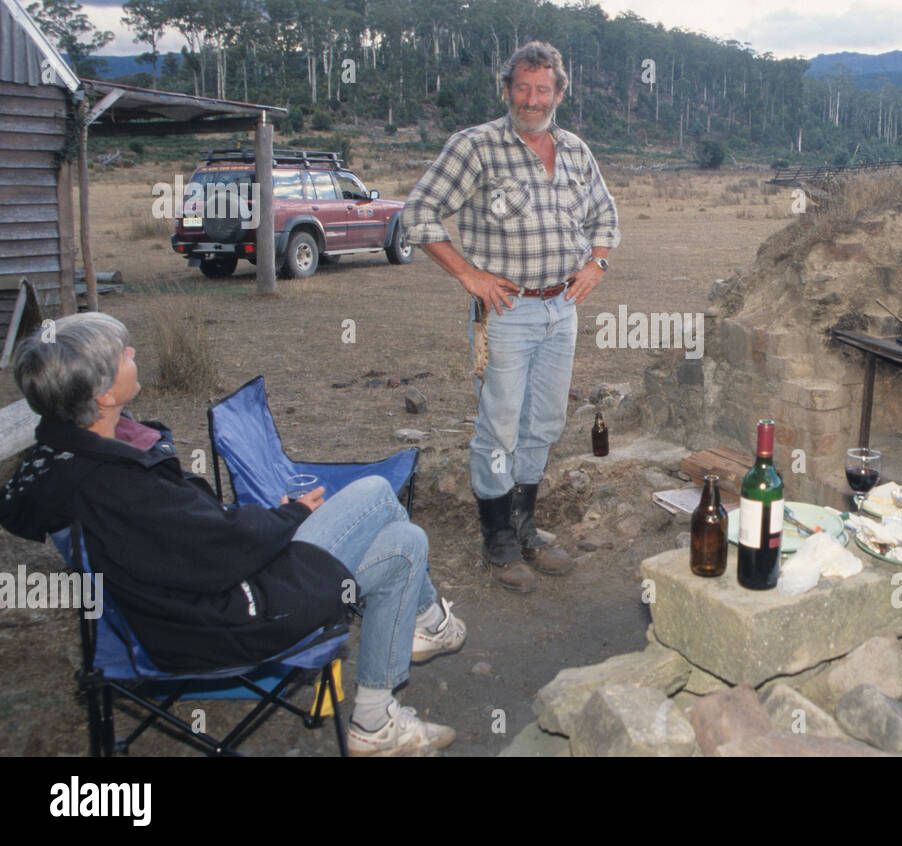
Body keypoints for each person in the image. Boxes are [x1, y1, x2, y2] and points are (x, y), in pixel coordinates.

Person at [0, 313, 466, 757]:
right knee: (376, 492)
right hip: (229, 617)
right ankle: (432, 623)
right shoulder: (114, 484)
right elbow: (213, 549)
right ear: (102, 394)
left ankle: (376, 719)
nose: (134, 352)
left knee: (406, 544)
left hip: (204, 593)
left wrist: (267, 521)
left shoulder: (77, 452)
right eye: (123, 354)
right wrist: (290, 518)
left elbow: (194, 537)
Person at [403, 40, 620, 592]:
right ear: (506, 89)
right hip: (506, 310)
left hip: (562, 307)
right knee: (499, 425)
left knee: (543, 423)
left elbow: (605, 215)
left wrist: (596, 264)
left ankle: (526, 526)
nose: (531, 99)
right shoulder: (474, 147)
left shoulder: (574, 149)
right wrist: (468, 275)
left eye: (541, 89)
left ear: (559, 94)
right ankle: (497, 537)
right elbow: (418, 212)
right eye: (521, 87)